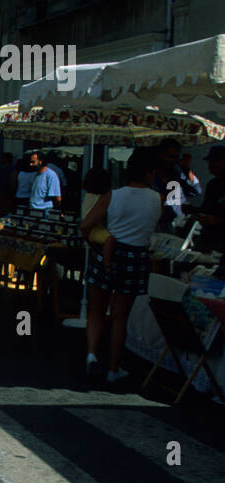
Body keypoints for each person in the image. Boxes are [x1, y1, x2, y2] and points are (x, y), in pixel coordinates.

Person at [81, 147, 162, 385]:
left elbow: (85, 224)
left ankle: (92, 354)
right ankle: (113, 368)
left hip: (109, 249)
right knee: (120, 317)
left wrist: (92, 242)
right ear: (149, 172)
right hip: (136, 256)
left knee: (96, 310)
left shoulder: (112, 195)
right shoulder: (157, 198)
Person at [81, 167, 116, 273]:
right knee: (109, 239)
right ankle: (107, 264)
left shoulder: (88, 196)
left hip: (92, 229)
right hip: (94, 229)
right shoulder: (101, 198)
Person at [193, 145, 225, 251]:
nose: (212, 165)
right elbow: (206, 208)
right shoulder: (213, 184)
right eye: (210, 161)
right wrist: (193, 210)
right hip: (210, 239)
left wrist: (216, 220)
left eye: (216, 161)